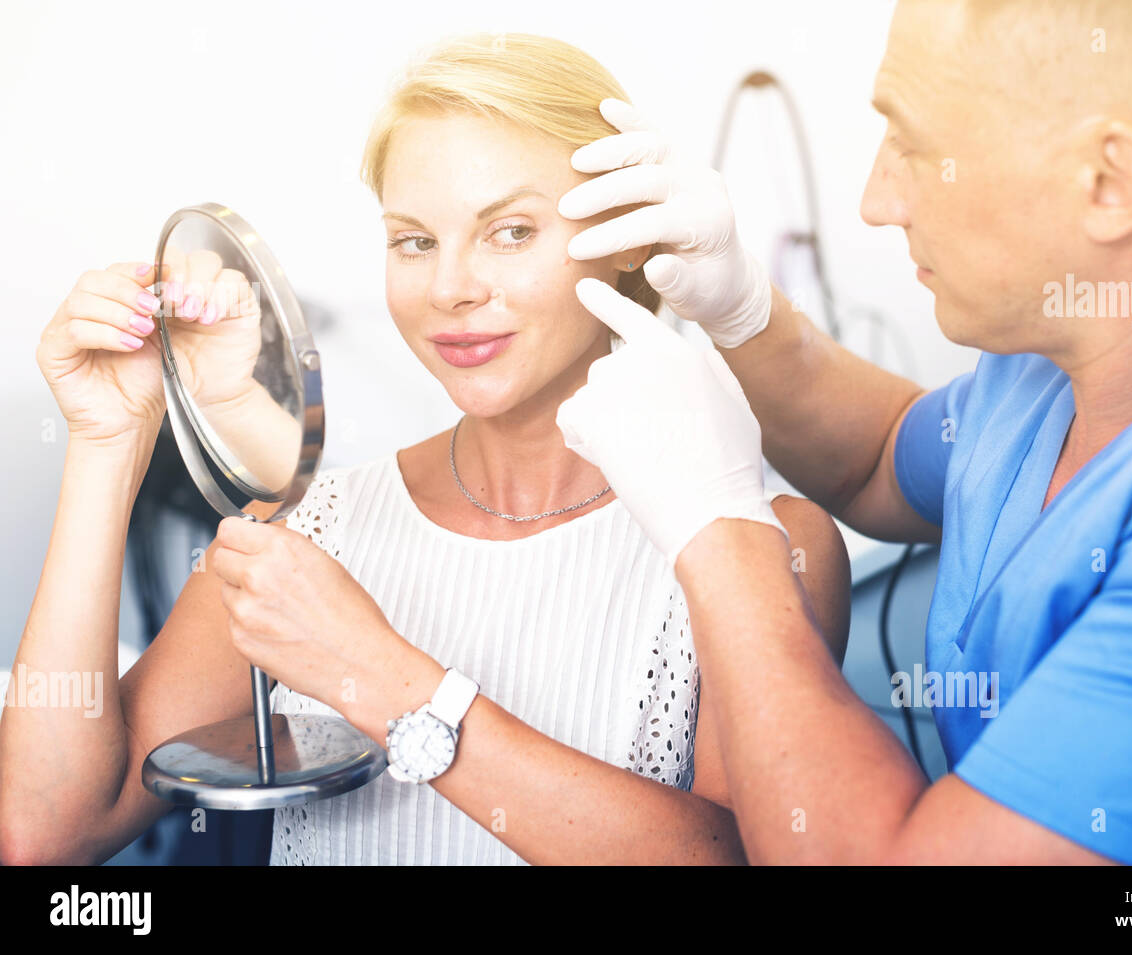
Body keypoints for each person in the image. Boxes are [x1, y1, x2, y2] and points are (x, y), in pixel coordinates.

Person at [0, 32, 851, 866]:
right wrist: (106, 440)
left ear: (627, 235)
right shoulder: (304, 538)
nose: (450, 289)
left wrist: (386, 677)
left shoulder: (770, 547)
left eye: (511, 231)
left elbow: (737, 855)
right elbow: (51, 830)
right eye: (415, 240)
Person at [553, 0, 1132, 863]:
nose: (876, 201)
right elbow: (880, 454)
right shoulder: (1052, 359)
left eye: (913, 146)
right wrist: (743, 312)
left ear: (1110, 183)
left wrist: (718, 536)